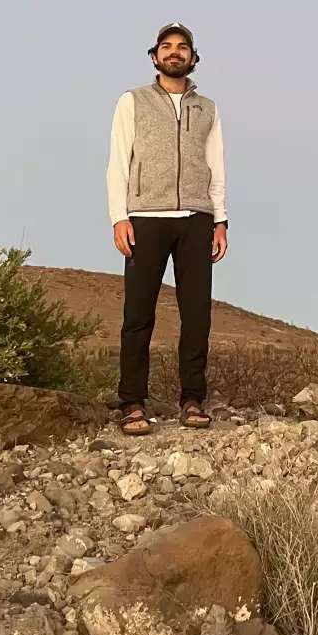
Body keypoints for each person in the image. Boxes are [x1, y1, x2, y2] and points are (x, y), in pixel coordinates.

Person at [106, 23, 227, 435]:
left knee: (197, 316)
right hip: (145, 218)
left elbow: (217, 165)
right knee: (138, 315)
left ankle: (193, 399)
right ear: (155, 56)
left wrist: (220, 219)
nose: (174, 52)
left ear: (193, 58)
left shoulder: (208, 108)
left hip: (197, 219)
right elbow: (118, 161)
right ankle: (132, 403)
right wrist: (118, 216)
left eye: (182, 47)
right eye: (166, 47)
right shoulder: (132, 102)